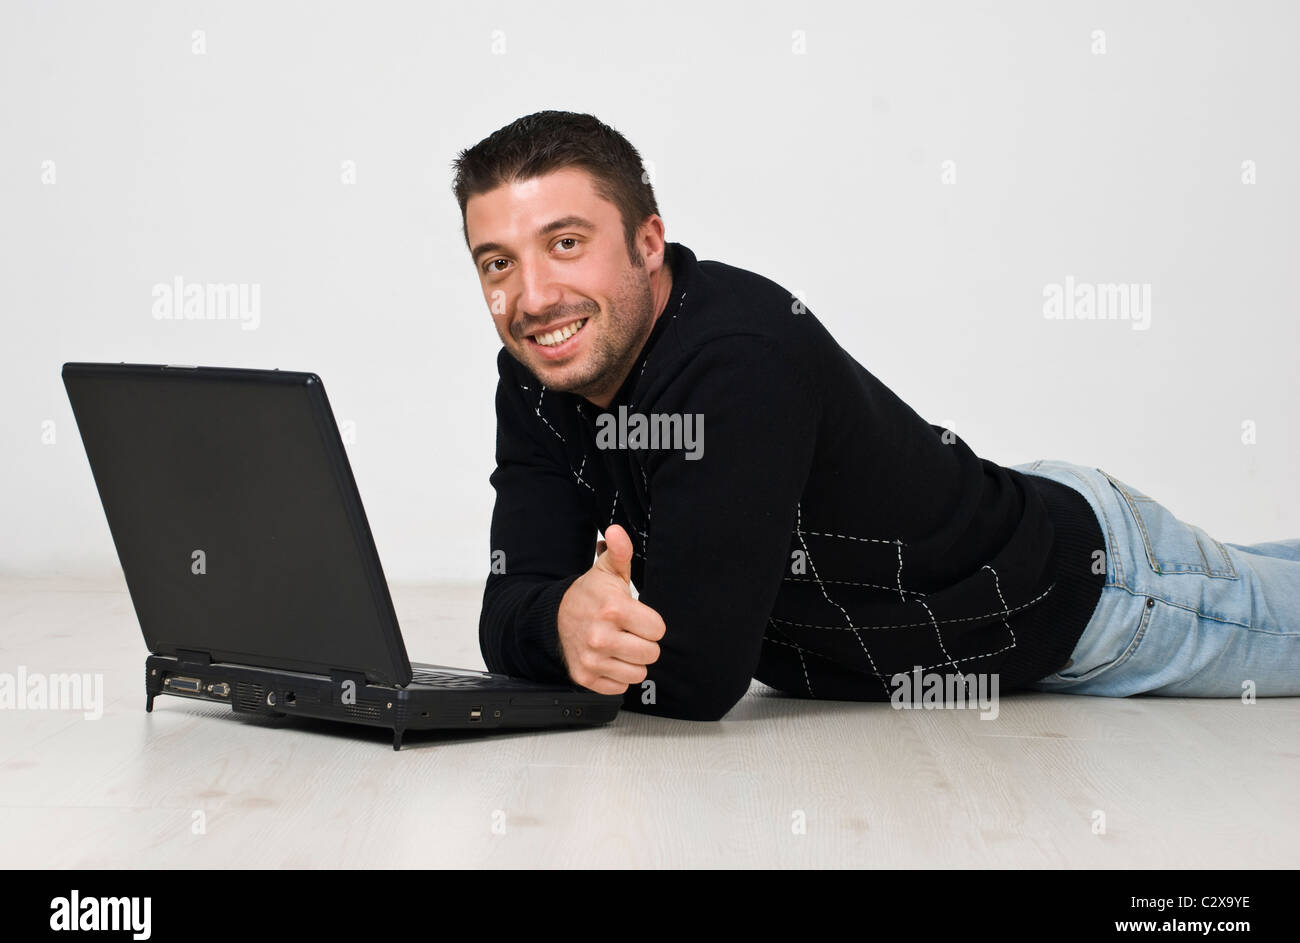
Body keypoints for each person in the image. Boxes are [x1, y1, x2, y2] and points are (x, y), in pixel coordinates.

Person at [452, 110, 1300, 721]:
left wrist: (563, 632)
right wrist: (557, 624)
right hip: (994, 533)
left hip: (1093, 594)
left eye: (566, 243)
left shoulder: (736, 357)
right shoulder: (534, 377)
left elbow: (699, 678)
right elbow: (508, 608)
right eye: (498, 262)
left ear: (647, 242)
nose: (532, 298)